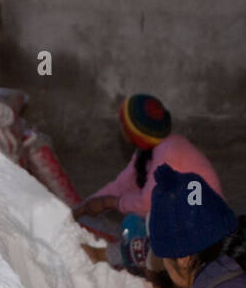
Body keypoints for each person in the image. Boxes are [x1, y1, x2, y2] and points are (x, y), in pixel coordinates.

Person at [73, 94, 220, 255]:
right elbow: (121, 185)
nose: (120, 128)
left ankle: (106, 257)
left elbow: (148, 203)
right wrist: (84, 207)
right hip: (187, 220)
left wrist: (109, 202)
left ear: (133, 132)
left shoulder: (168, 152)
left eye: (123, 124)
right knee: (136, 222)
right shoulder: (150, 149)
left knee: (134, 226)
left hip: (205, 231)